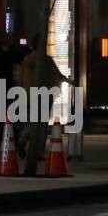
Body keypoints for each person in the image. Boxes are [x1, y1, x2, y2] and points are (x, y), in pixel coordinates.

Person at [18, 36, 67, 176]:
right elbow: (57, 75)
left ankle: (24, 140)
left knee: (32, 120)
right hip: (43, 94)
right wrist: (67, 81)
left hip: (28, 94)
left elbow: (21, 78)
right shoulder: (46, 60)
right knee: (41, 123)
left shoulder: (27, 59)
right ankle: (37, 150)